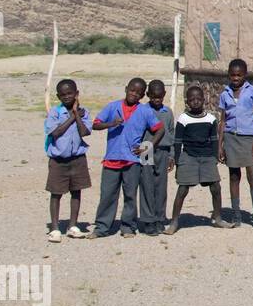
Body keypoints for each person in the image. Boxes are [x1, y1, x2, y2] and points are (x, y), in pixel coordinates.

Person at [91, 77, 163, 238]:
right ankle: (102, 227)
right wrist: (111, 124)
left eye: (138, 93)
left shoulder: (145, 111)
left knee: (130, 195)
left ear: (143, 95)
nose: (134, 94)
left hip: (132, 161)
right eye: (132, 90)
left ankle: (128, 226)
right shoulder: (112, 107)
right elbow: (95, 124)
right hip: (111, 159)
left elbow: (159, 129)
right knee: (108, 195)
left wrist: (149, 146)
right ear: (126, 89)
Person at [166, 85, 236, 234]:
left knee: (216, 187)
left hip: (207, 157)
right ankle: (174, 222)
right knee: (183, 189)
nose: (196, 102)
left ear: (204, 100)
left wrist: (215, 157)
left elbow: (214, 139)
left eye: (199, 99)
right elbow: (178, 142)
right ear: (187, 102)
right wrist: (178, 162)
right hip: (188, 157)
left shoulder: (211, 119)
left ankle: (217, 218)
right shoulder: (183, 119)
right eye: (192, 99)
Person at [44, 78, 93, 242]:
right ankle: (55, 228)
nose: (67, 97)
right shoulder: (55, 113)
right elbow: (55, 133)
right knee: (56, 192)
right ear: (58, 96)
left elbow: (85, 132)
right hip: (59, 160)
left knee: (76, 190)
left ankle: (73, 225)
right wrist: (72, 117)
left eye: (70, 93)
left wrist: (77, 115)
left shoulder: (84, 112)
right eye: (63, 95)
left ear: (76, 94)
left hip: (78, 158)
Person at [218, 58, 253, 228]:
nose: (235, 78)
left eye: (239, 75)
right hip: (231, 138)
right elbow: (223, 121)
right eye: (232, 75)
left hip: (248, 138)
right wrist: (220, 145)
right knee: (233, 176)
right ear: (229, 75)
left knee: (252, 175)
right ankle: (236, 214)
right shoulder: (225, 94)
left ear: (245, 75)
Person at [137, 80, 175, 236]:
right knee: (147, 184)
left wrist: (172, 154)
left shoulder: (168, 112)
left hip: (164, 150)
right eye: (153, 97)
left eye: (159, 97)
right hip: (146, 148)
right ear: (148, 95)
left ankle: (159, 218)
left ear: (164, 95)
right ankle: (148, 220)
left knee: (161, 186)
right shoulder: (142, 110)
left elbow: (172, 133)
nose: (157, 100)